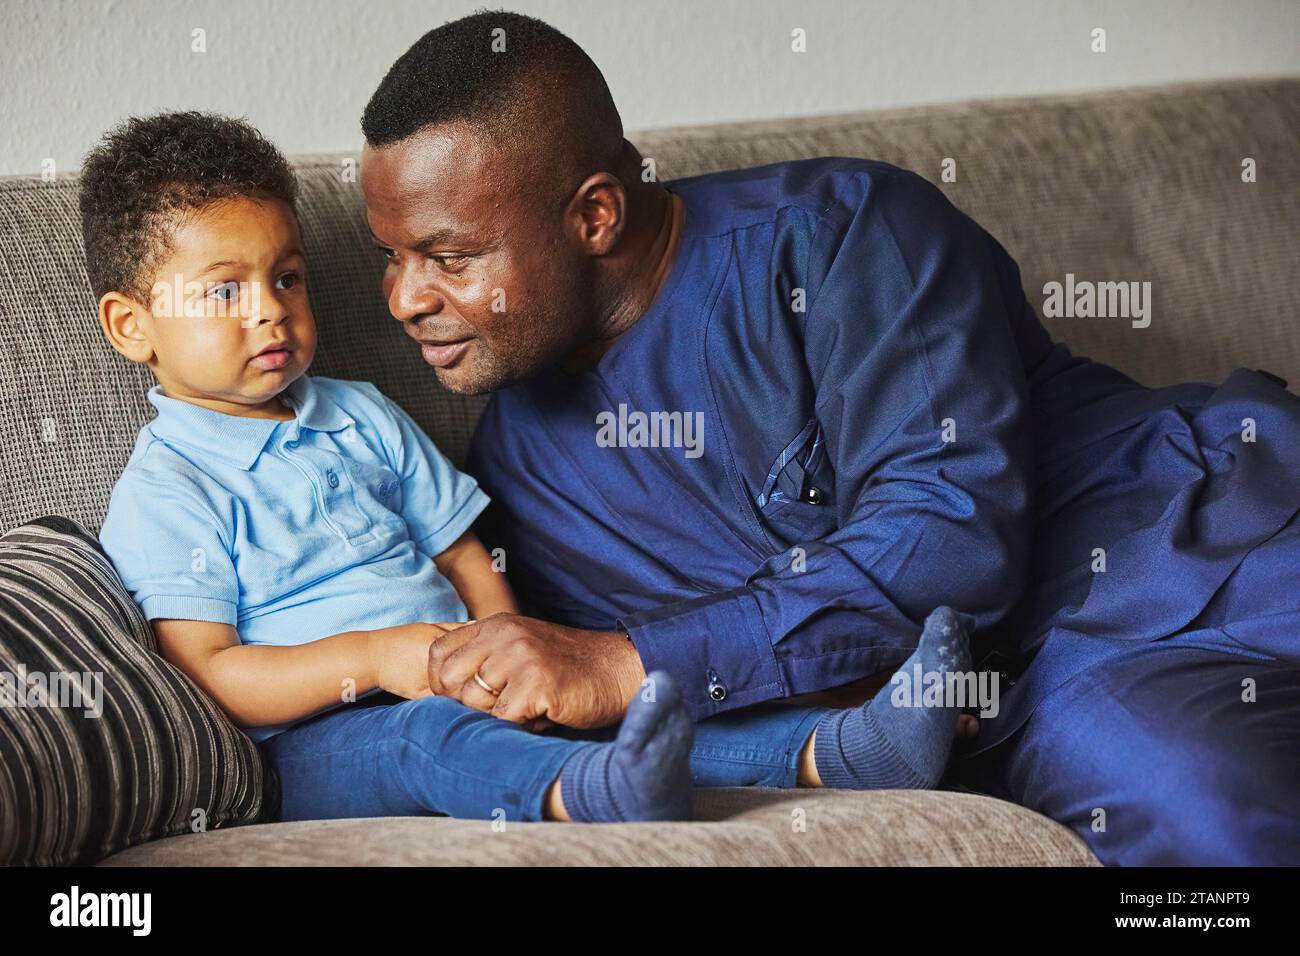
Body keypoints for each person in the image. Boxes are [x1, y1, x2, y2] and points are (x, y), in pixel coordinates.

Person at [359, 11, 1300, 863]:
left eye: (447, 257)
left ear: (594, 214)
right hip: (1054, 695)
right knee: (1206, 818)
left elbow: (951, 534)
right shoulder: (515, 483)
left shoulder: (844, 234)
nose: (406, 299)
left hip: (1212, 529)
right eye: (391, 259)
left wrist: (630, 658)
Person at [86, 111, 982, 827]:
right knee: (426, 737)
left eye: (286, 278)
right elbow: (209, 671)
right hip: (319, 742)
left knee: (615, 708)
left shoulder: (358, 412)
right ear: (132, 326)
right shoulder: (169, 491)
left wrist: (515, 653)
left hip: (452, 673)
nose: (270, 313)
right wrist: (377, 659)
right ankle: (583, 798)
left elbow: (463, 555)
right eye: (224, 292)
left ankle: (847, 750)